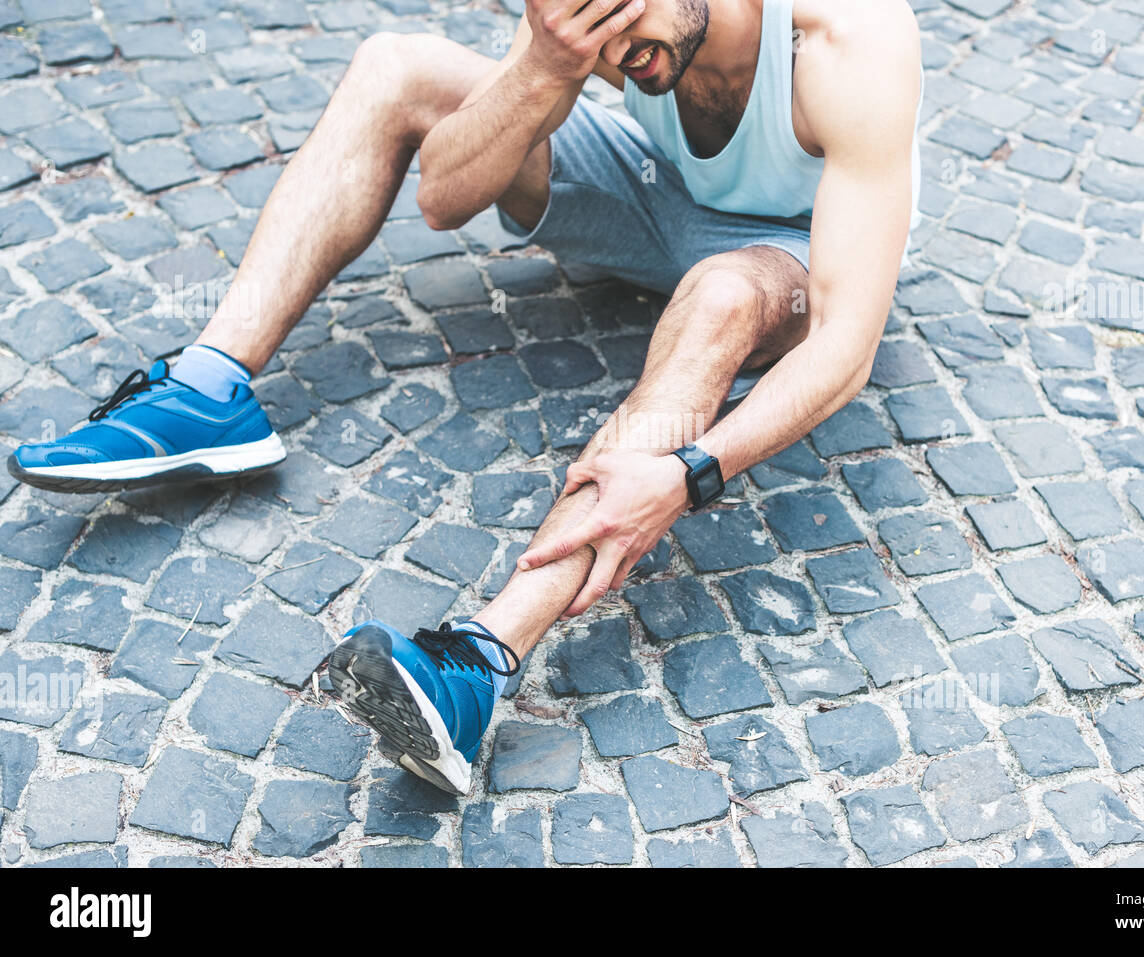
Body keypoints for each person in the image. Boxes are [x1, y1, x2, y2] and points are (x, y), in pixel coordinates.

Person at [9, 0, 923, 795]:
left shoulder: (846, 36)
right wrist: (546, 62)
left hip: (793, 261)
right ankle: (208, 386)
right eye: (588, 29)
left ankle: (477, 664)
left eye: (624, 11)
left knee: (721, 296)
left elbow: (847, 344)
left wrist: (687, 474)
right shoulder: (599, 35)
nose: (621, 51)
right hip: (657, 195)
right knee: (396, 65)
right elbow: (446, 197)